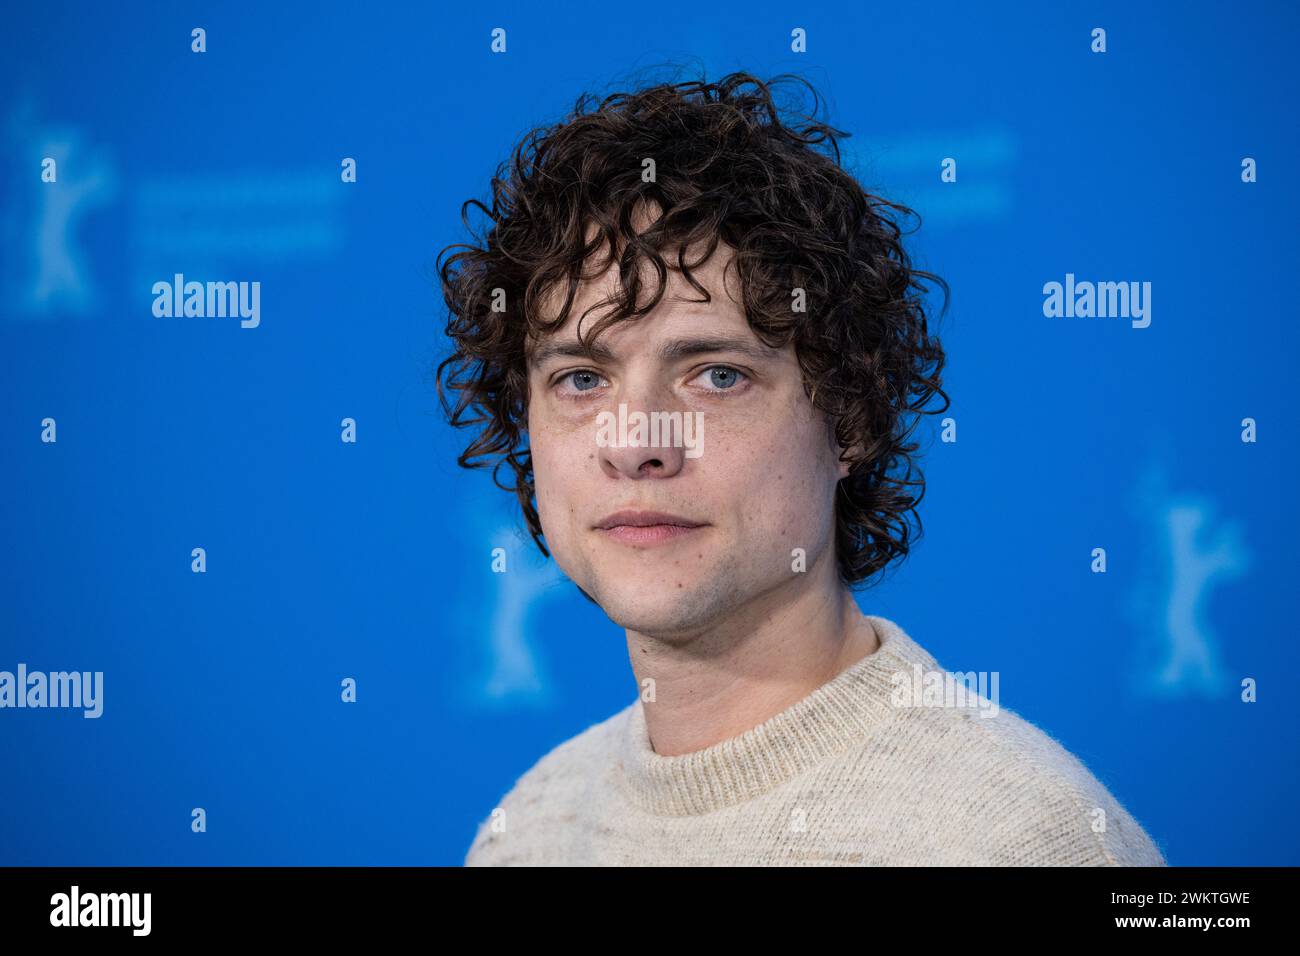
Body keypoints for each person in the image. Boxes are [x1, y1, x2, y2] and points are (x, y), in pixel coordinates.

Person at [435, 71, 1166, 866]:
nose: (635, 441)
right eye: (582, 379)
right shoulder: (527, 832)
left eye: (716, 374)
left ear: (849, 416)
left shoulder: (1018, 840)